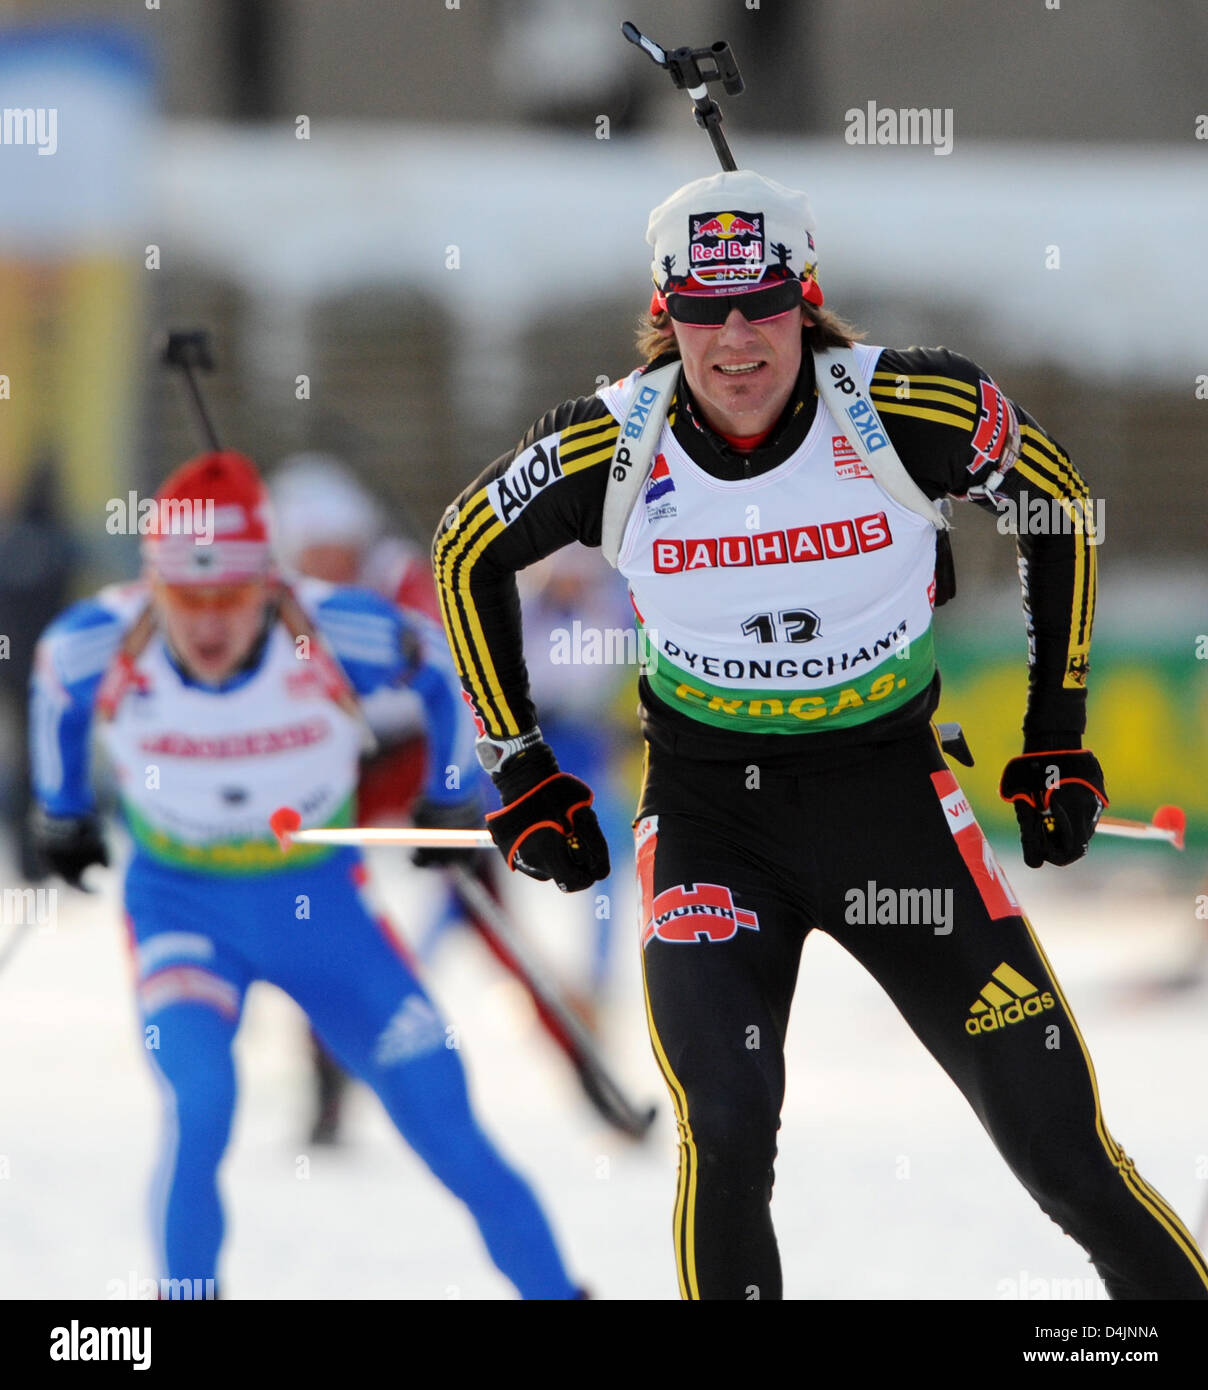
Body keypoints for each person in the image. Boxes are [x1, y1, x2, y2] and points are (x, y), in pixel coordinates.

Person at [432, 168, 1208, 1300]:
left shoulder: (904, 405)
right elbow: (462, 547)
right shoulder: (612, 441)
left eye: (759, 305)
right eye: (702, 311)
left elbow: (1056, 504)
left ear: (805, 298)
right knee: (728, 1130)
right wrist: (522, 769)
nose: (734, 340)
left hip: (888, 809)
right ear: (665, 319)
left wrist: (1054, 735)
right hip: (711, 825)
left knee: (1060, 1150)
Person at [29, 449, 581, 1299]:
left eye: (230, 598)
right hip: (184, 908)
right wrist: (59, 811)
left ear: (268, 582)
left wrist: (450, 794)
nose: (208, 624)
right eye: (186, 598)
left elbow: (444, 670)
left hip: (322, 911)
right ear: (152, 585)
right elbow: (55, 697)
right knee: (203, 1103)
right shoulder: (95, 641)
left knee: (444, 1112)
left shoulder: (335, 630)